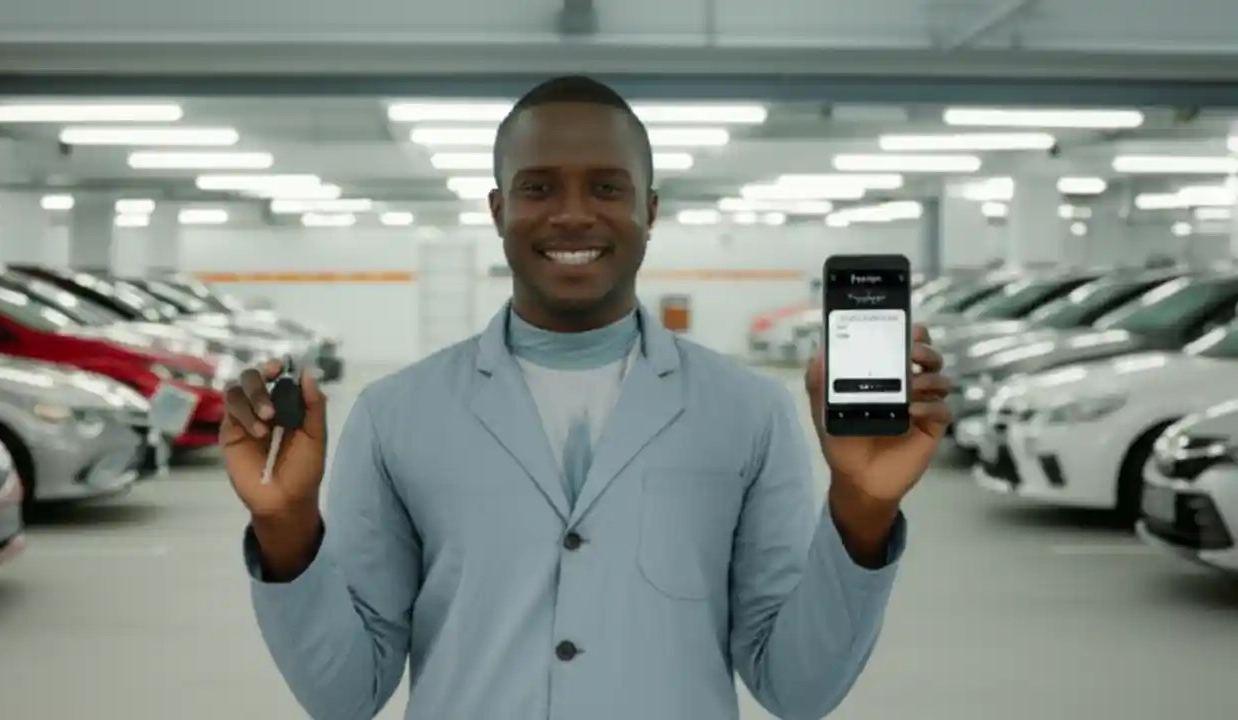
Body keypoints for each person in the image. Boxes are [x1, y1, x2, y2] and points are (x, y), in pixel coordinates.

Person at [221, 75, 952, 720]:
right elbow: (344, 695)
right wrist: (287, 526)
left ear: (651, 209)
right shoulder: (395, 416)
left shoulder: (748, 413)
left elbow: (799, 689)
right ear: (498, 208)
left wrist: (862, 509)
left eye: (607, 187)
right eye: (539, 187)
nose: (573, 214)